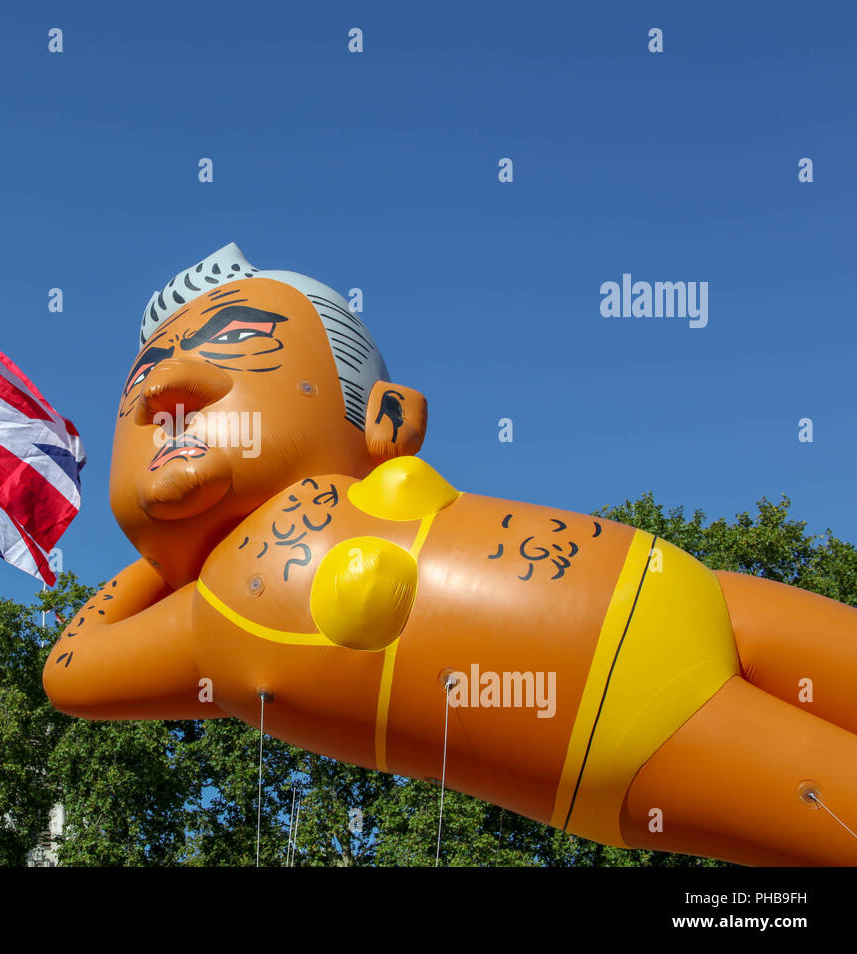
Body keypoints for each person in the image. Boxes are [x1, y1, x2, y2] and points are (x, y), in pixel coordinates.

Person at [43, 243, 857, 865]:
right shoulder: (210, 616)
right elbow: (72, 670)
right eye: (141, 383)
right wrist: (175, 553)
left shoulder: (325, 521)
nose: (161, 388)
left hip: (687, 583)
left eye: (241, 344)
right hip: (631, 718)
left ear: (386, 416)